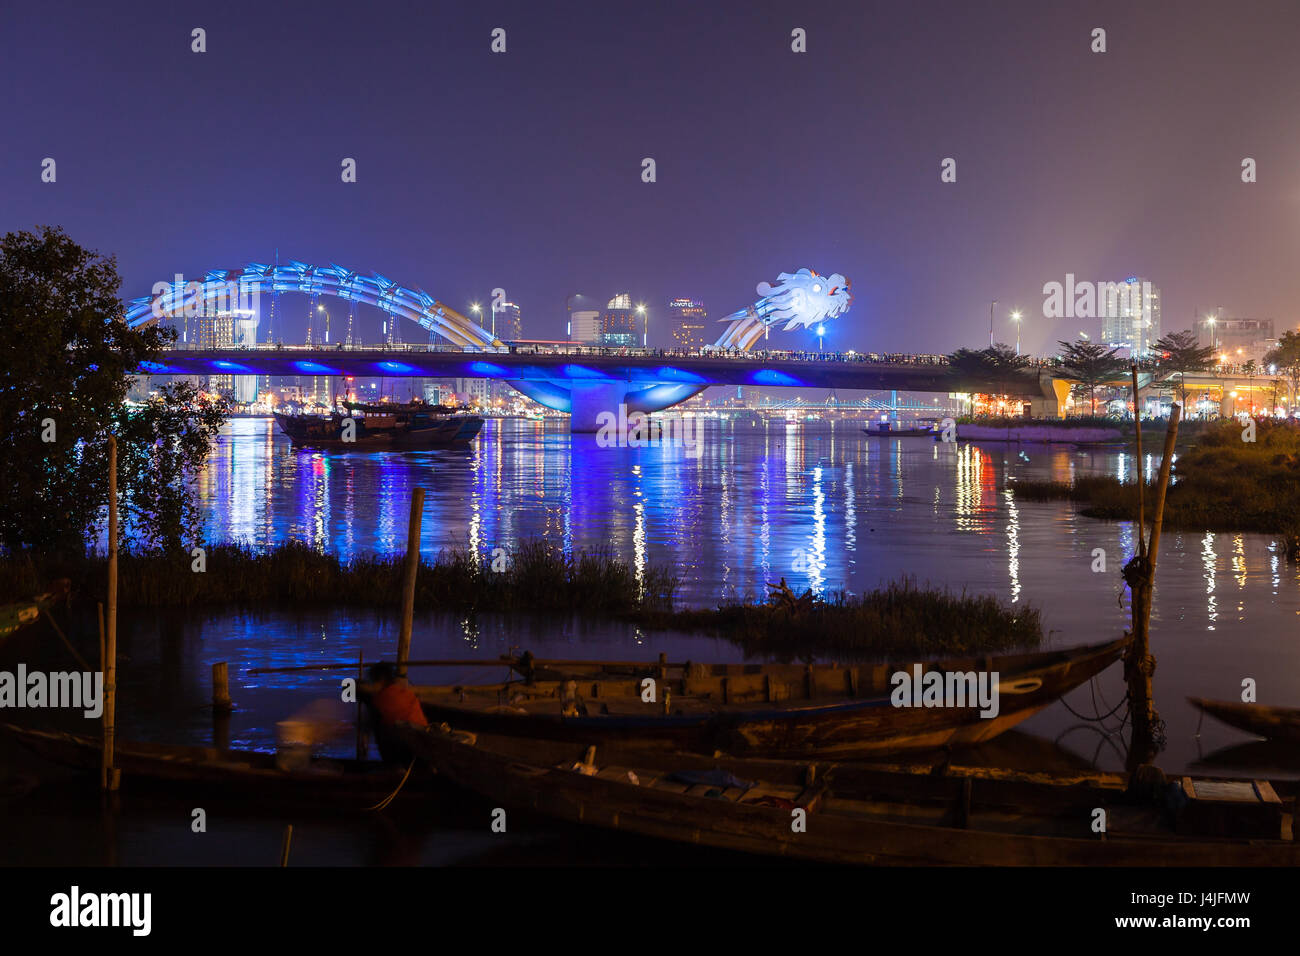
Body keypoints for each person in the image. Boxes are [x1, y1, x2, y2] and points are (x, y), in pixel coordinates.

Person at [363, 661, 428, 763]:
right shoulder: (406, 692)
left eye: (373, 681)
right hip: (423, 742)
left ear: (381, 680)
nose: (372, 685)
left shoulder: (380, 698)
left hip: (403, 746)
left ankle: (394, 767)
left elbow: (374, 722)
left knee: (379, 726)